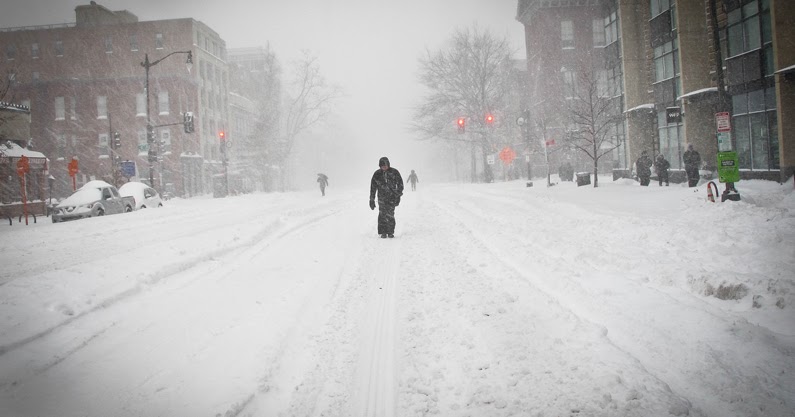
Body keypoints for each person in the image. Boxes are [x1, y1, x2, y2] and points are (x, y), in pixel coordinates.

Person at [369, 156, 403, 238]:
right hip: (381, 198)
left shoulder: (394, 172)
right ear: (380, 166)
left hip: (392, 197)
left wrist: (398, 195)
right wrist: (371, 199)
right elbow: (373, 188)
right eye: (382, 166)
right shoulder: (377, 174)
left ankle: (390, 232)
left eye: (385, 165)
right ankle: (383, 232)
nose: (384, 167)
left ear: (388, 165)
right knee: (382, 214)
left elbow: (400, 184)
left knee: (390, 214)